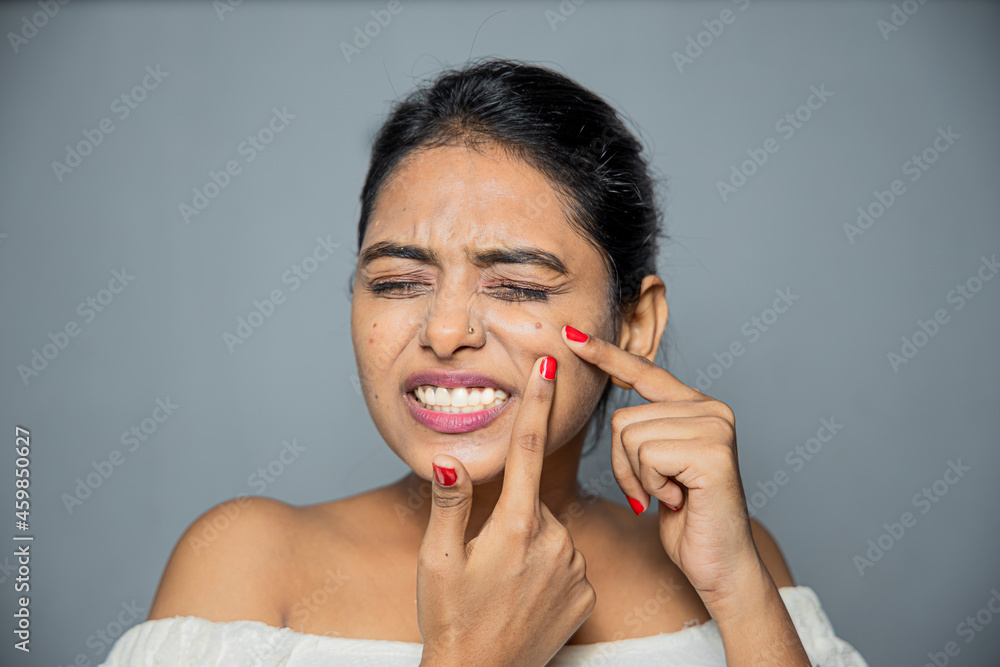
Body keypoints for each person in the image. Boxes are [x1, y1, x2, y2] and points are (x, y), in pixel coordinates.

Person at [102, 58, 866, 666]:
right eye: (399, 281)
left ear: (634, 324)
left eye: (518, 285)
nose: (443, 329)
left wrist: (740, 591)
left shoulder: (734, 559)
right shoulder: (244, 565)